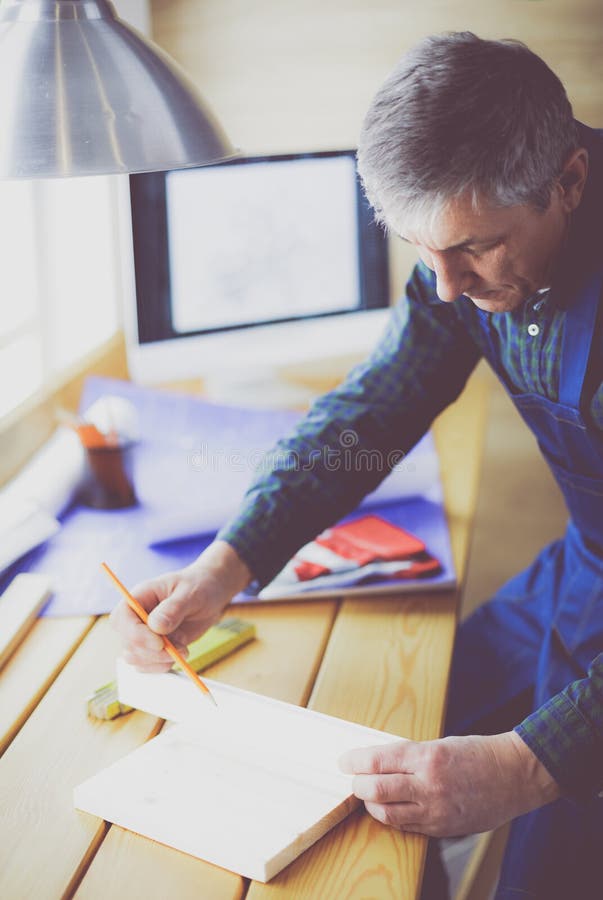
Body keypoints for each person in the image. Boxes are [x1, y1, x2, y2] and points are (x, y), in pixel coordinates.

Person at [111, 32, 603, 899]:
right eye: (423, 250)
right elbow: (376, 412)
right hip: (583, 568)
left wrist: (527, 769)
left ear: (566, 182)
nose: (446, 287)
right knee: (375, 748)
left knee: (540, 867)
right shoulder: (460, 256)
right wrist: (231, 561)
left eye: (475, 249)